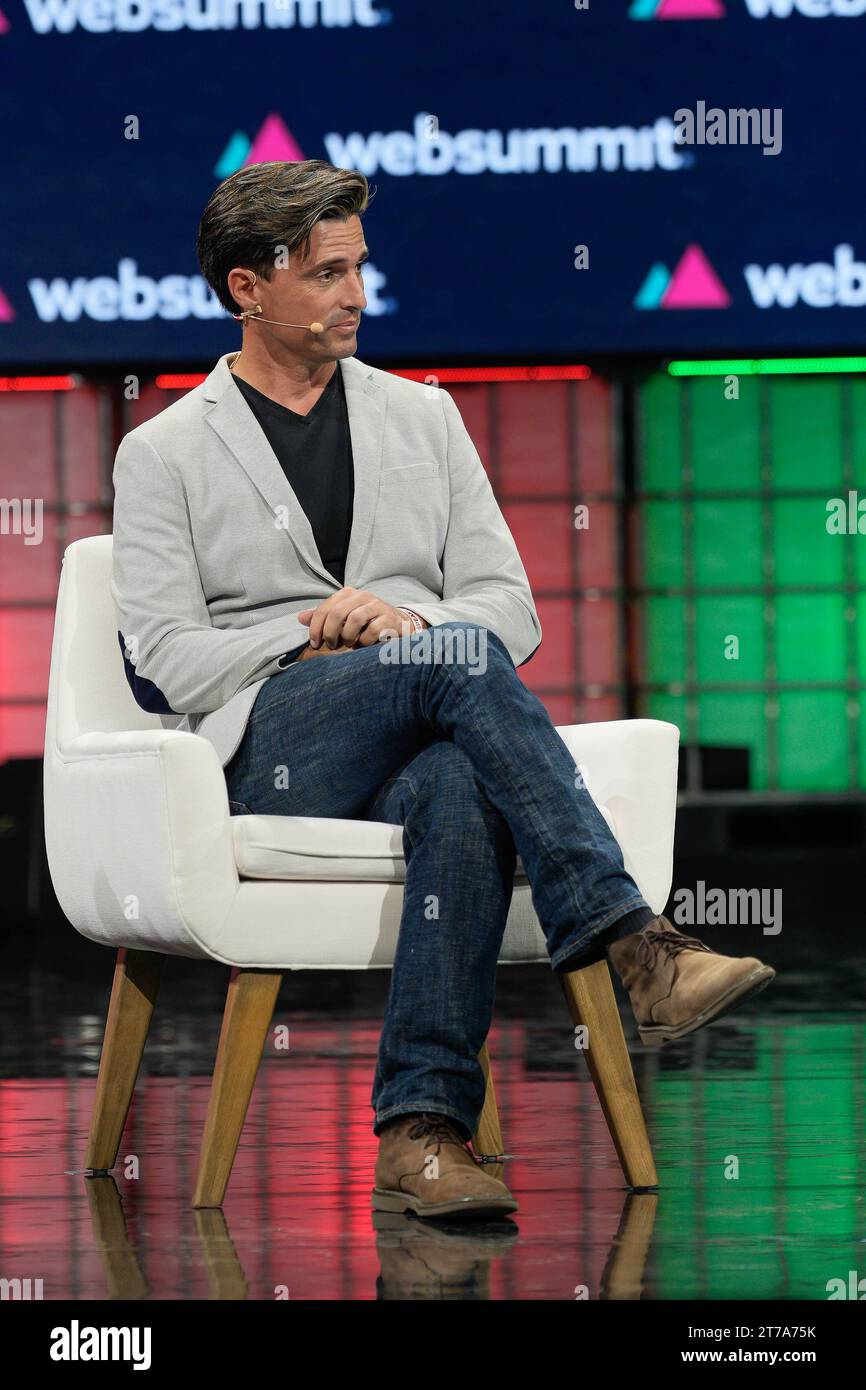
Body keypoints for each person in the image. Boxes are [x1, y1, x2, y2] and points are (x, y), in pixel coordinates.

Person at [110, 159, 775, 1222]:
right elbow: (161, 660)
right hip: (276, 746)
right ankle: (633, 944)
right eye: (327, 273)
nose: (355, 295)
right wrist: (314, 630)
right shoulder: (165, 453)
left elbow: (510, 608)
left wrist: (408, 626)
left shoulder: (424, 419)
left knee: (461, 787)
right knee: (453, 665)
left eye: (359, 268)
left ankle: (422, 1134)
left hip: (417, 720)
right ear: (247, 287)